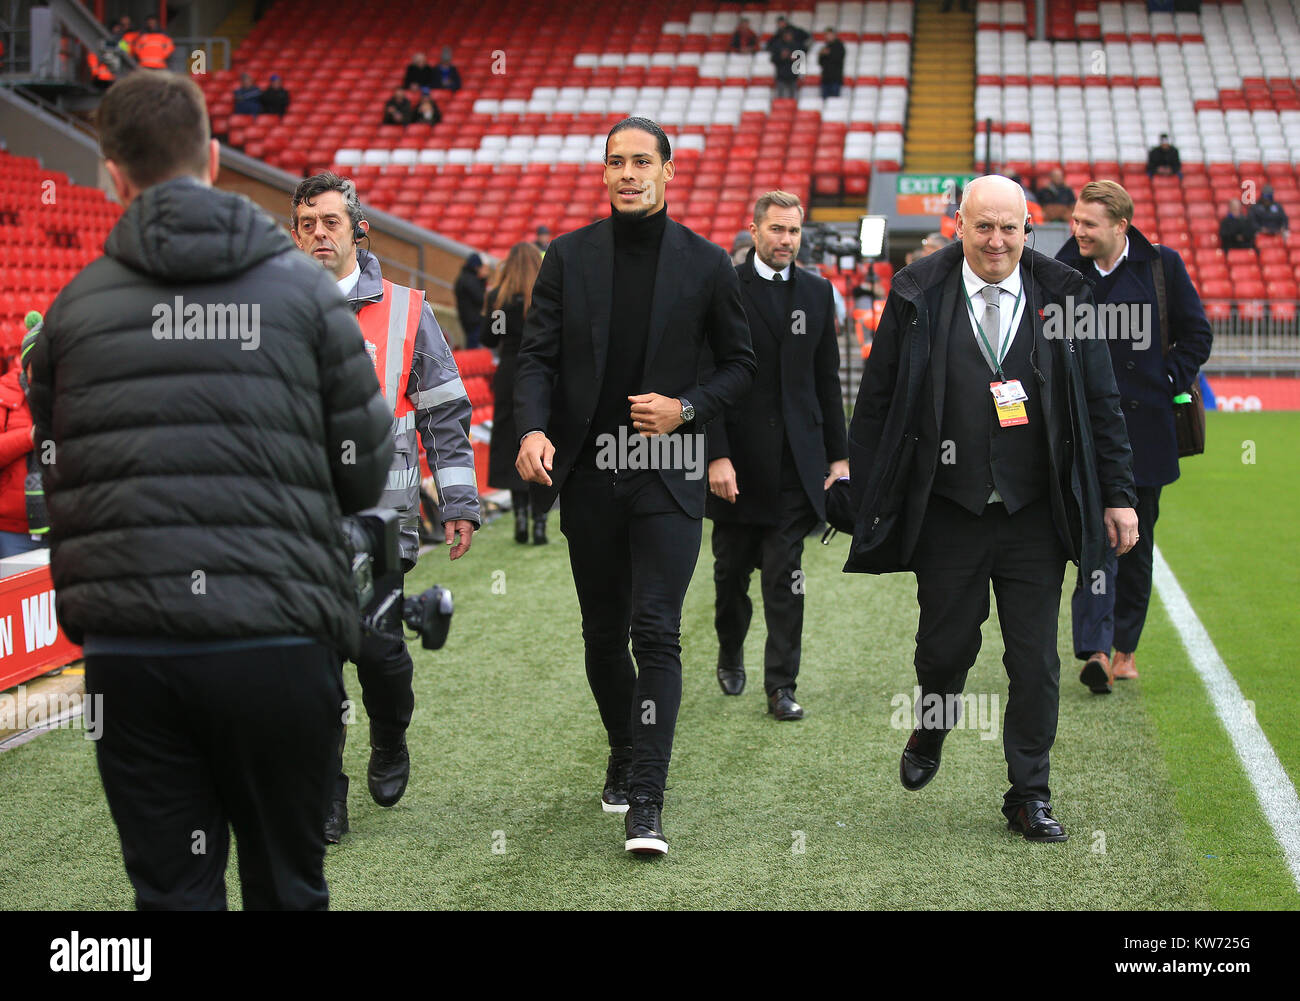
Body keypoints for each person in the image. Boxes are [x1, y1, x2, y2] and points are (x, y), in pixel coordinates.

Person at [27, 71, 393, 909]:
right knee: (288, 887)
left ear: (109, 174)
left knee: (172, 896)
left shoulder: (71, 315)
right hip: (279, 638)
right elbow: (365, 470)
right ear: (218, 157)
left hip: (132, 656)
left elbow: (57, 479)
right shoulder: (306, 295)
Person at [844, 174, 1138, 843]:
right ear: (959, 224)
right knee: (945, 649)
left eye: (1011, 227)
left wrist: (1118, 494)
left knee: (1034, 661)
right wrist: (865, 486)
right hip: (948, 508)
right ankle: (935, 717)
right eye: (984, 226)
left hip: (1035, 514)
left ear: (1028, 226)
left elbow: (1101, 401)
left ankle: (1029, 792)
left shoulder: (1065, 294)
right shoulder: (916, 293)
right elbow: (879, 399)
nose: (998, 240)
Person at [513, 116, 755, 855]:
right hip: (590, 472)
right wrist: (530, 428)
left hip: (669, 475)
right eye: (616, 161)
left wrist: (685, 408)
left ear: (668, 170)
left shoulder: (709, 264)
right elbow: (536, 358)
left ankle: (647, 797)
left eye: (641, 161)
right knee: (601, 635)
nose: (627, 173)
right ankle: (624, 743)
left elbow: (741, 366)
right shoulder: (568, 255)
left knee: (656, 631)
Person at [290, 172, 480, 843]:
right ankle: (324, 793)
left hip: (380, 524)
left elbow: (445, 412)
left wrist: (457, 498)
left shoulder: (406, 309)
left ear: (357, 229)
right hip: (294, 527)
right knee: (308, 669)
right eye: (307, 222)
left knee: (380, 656)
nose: (318, 232)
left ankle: (390, 735)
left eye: (330, 221)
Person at [1059, 181, 1212, 692]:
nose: (1077, 230)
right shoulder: (1063, 267)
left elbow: (1197, 333)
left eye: (1088, 224)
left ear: (1121, 226)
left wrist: (1168, 380)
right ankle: (1096, 648)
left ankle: (1125, 648)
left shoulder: (1161, 265)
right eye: (1075, 221)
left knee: (1134, 544)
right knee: (1093, 539)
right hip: (1083, 429)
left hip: (1144, 430)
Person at [707, 192, 847, 719]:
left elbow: (826, 378)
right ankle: (729, 648)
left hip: (797, 465)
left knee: (786, 578)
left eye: (794, 231)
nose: (786, 240)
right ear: (755, 230)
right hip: (737, 467)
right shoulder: (724, 288)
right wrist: (716, 456)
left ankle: (780, 686)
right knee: (730, 577)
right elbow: (709, 376)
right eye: (777, 230)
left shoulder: (817, 291)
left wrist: (840, 455)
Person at [480, 242, 549, 544]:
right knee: (542, 438)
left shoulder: (498, 297)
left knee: (511, 442)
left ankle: (520, 516)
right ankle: (540, 521)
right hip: (544, 374)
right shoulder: (545, 296)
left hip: (509, 373)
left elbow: (486, 337)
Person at [0, 315, 39, 558]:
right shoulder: (4, 392)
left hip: (65, 528)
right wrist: (29, 437)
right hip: (12, 532)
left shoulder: (72, 394)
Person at [455, 252, 489, 348]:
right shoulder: (469, 280)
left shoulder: (464, 278)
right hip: (473, 321)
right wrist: (483, 279)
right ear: (477, 267)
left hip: (470, 320)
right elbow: (481, 298)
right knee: (474, 348)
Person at [769, 26, 801, 100]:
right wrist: (781, 57)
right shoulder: (778, 45)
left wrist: (793, 58)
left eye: (789, 35)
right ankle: (780, 109)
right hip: (781, 75)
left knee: (792, 96)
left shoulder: (796, 46)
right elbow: (773, 59)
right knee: (780, 96)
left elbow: (800, 59)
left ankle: (792, 108)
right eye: (786, 35)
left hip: (793, 75)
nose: (788, 37)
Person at [817, 28, 845, 99]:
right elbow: (820, 62)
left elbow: (838, 59)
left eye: (829, 34)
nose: (827, 37)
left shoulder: (839, 46)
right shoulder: (825, 47)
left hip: (835, 78)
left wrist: (829, 53)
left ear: (834, 35)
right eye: (826, 35)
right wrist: (822, 55)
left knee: (834, 102)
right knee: (824, 100)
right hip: (826, 78)